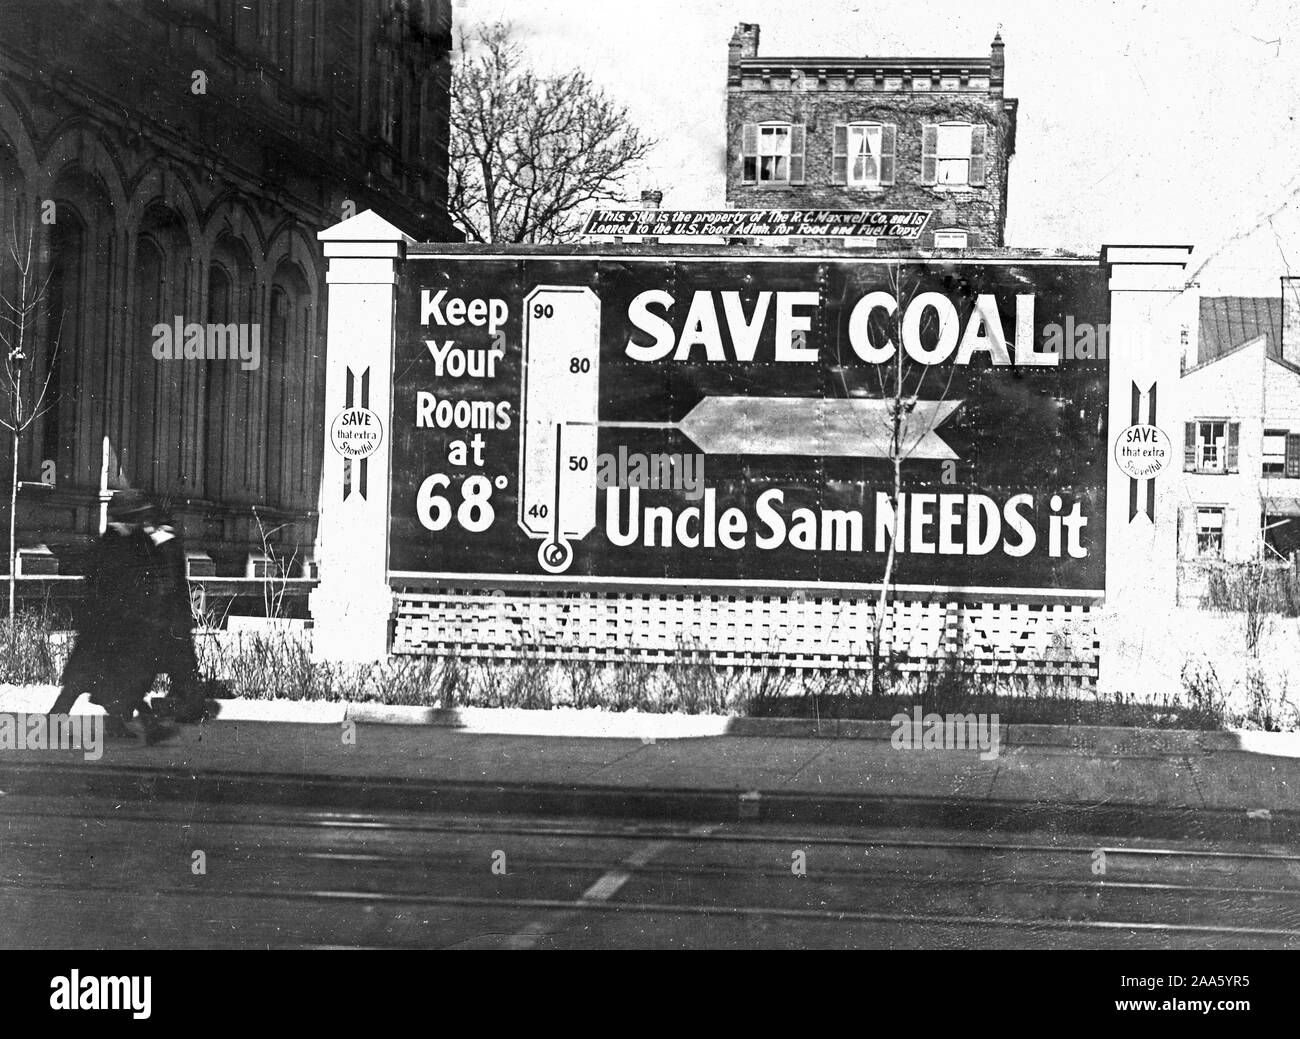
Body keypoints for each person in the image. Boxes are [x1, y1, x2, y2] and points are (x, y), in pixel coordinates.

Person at [51, 490, 177, 743]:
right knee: (91, 679)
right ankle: (144, 727)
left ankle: (127, 725)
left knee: (112, 678)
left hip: (116, 626)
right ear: (126, 518)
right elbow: (106, 586)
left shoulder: (130, 541)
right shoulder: (113, 544)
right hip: (107, 625)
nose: (140, 522)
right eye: (136, 518)